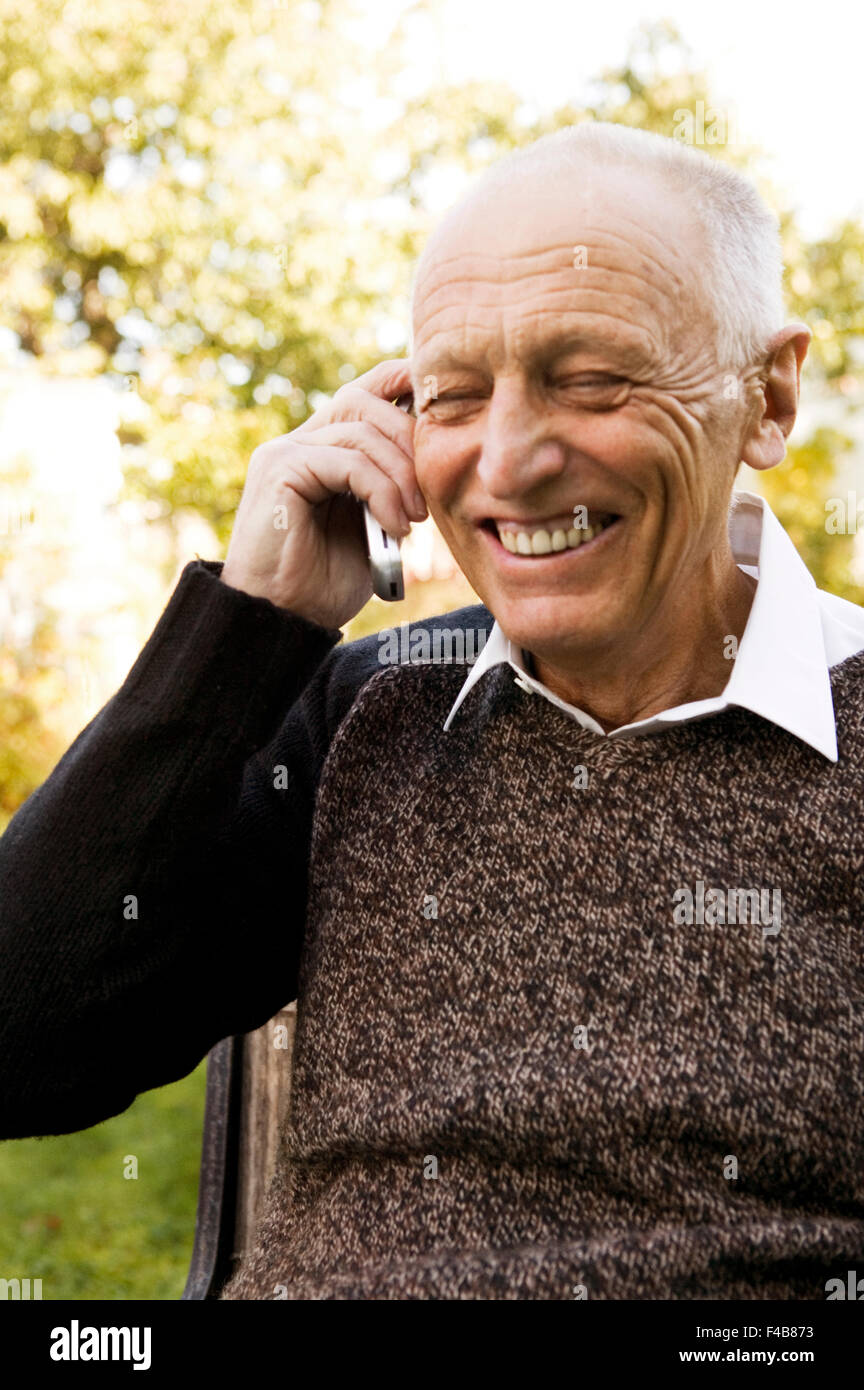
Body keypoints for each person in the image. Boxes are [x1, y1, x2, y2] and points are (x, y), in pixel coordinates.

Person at [1, 121, 863, 1301]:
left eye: (595, 378)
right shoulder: (365, 714)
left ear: (766, 399)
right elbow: (22, 1042)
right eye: (452, 396)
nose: (505, 465)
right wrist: (248, 629)